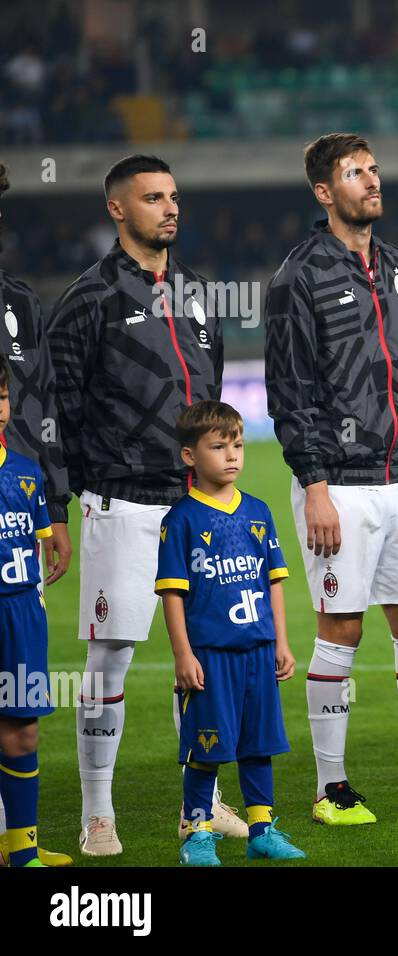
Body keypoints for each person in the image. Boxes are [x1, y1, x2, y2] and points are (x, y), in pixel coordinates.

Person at [265, 132, 398, 824]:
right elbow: (288, 390)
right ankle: (330, 787)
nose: (372, 182)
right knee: (341, 628)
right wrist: (314, 484)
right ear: (325, 192)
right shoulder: (298, 276)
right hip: (337, 485)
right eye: (356, 174)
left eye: (374, 170)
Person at [47, 154, 235, 856]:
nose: (170, 208)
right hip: (120, 502)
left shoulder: (196, 292)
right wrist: (59, 507)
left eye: (174, 196)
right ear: (118, 209)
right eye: (153, 198)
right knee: (111, 659)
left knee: (206, 658)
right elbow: (57, 412)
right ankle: (98, 814)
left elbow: (210, 397)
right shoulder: (87, 299)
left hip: (195, 508)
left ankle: (205, 803)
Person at [156, 401, 305, 865]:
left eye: (237, 445)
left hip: (258, 651)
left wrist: (280, 641)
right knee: (206, 748)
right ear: (189, 456)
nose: (232, 455)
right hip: (210, 655)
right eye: (218, 447)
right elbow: (173, 594)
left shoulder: (259, 512)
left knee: (259, 746)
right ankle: (198, 832)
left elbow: (273, 581)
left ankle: (262, 829)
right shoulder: (180, 520)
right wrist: (183, 654)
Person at [0, 161, 72, 868]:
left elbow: (44, 407)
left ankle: (21, 846)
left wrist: (52, 507)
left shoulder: (18, 301)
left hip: (18, 558)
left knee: (21, 719)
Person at [0, 356, 61, 866]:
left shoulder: (25, 473)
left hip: (20, 618)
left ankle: (22, 850)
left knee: (23, 730)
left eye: (0, 396)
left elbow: (38, 554)